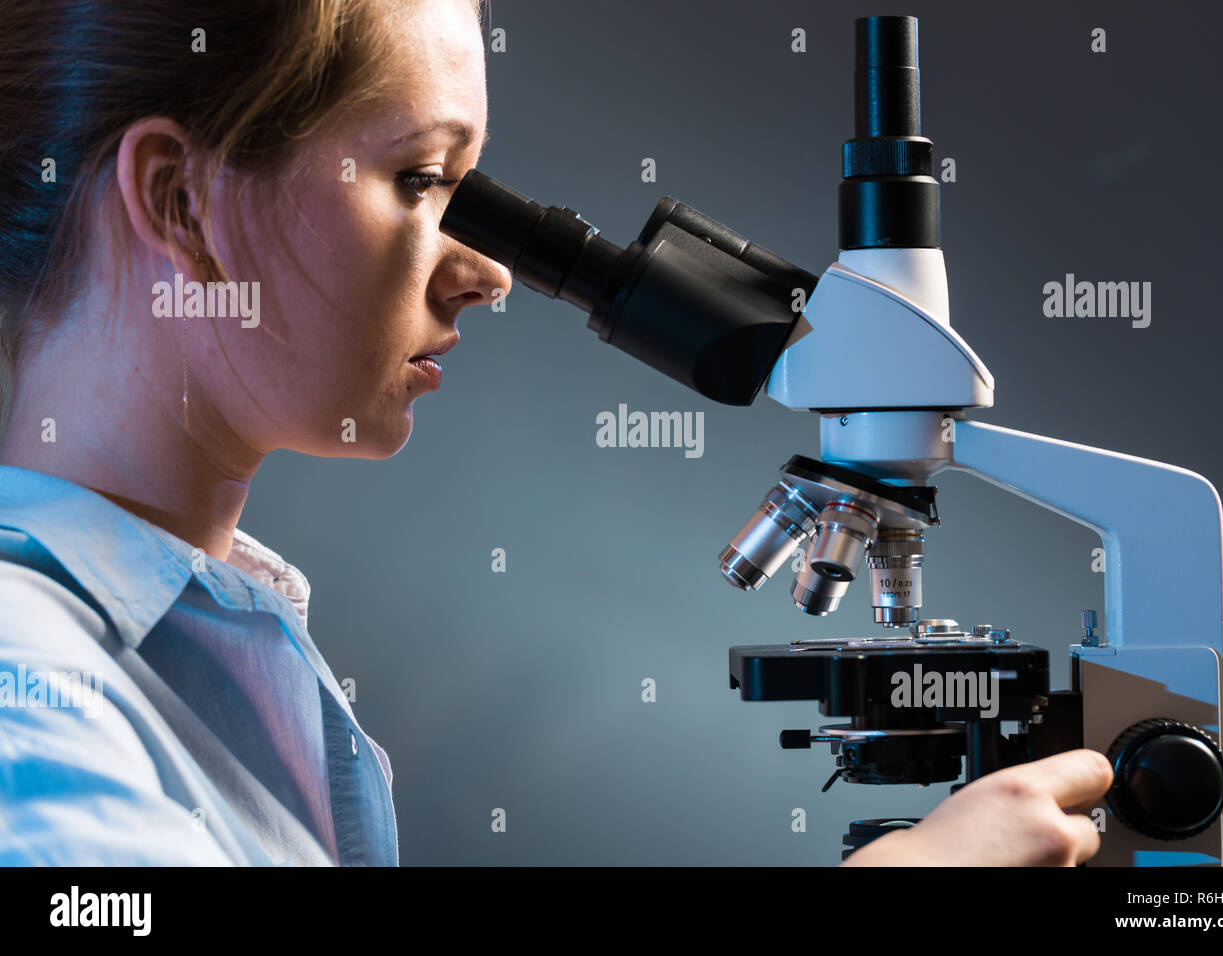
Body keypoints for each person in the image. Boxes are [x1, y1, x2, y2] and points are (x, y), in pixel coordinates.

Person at [0, 0, 1112, 866]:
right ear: (180, 201)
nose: (486, 273)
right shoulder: (29, 698)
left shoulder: (204, 644)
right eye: (423, 180)